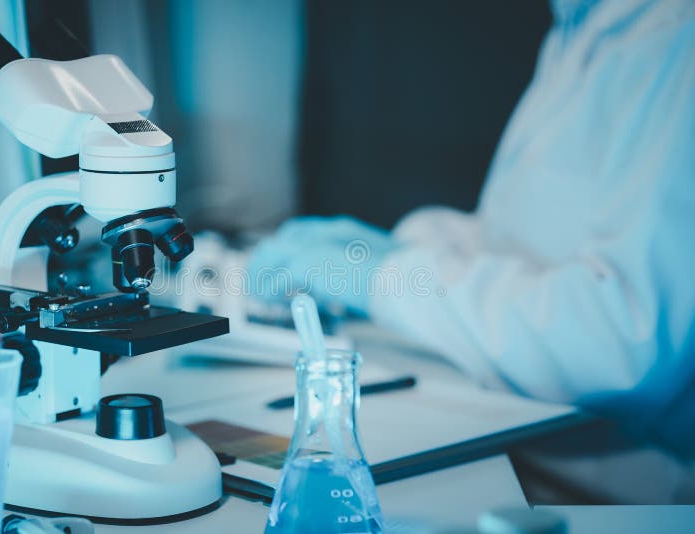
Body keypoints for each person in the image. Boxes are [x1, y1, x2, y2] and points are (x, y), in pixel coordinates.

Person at [248, 0, 695, 449]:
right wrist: (404, 248)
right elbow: (518, 240)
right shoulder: (579, 29)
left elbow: (620, 343)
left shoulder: (675, 37)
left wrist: (388, 278)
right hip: (538, 433)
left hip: (622, 486)